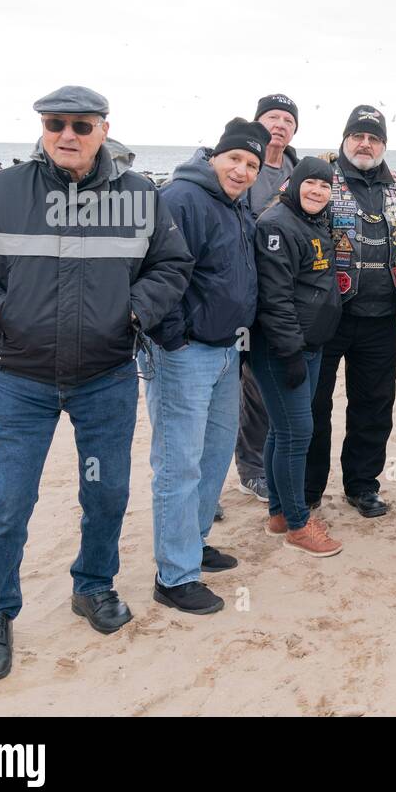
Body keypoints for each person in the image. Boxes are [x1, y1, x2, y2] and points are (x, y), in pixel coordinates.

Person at [0, 85, 192, 681]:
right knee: (8, 501)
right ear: (43, 128)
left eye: (80, 124)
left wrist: (131, 311)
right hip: (20, 379)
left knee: (105, 493)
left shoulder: (141, 196)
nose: (67, 135)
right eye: (56, 124)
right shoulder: (1, 191)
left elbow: (173, 266)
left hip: (105, 378)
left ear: (103, 128)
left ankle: (93, 585)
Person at [141, 117, 269, 615]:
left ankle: (192, 544)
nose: (241, 170)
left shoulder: (237, 206)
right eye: (234, 159)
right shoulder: (181, 199)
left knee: (215, 454)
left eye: (252, 164)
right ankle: (174, 576)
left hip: (226, 351)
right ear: (214, 156)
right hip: (183, 352)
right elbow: (156, 271)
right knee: (179, 463)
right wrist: (172, 336)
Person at [304, 106, 396, 518]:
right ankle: (309, 488)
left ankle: (362, 486)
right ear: (345, 138)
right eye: (358, 136)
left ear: (384, 144)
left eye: (374, 137)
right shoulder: (319, 176)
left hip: (382, 315)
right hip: (326, 315)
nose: (365, 144)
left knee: (373, 405)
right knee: (315, 406)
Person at [250, 156, 344, 557]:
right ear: (294, 183)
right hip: (282, 349)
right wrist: (288, 352)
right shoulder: (276, 225)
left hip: (310, 345)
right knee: (297, 434)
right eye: (310, 183)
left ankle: (278, 513)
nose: (317, 191)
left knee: (282, 431)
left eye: (325, 186)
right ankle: (298, 523)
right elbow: (275, 298)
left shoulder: (313, 222)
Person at [234, 94, 303, 505]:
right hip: (241, 290)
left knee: (265, 386)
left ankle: (260, 466)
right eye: (271, 117)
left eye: (287, 120)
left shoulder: (297, 169)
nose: (279, 125)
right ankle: (248, 468)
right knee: (237, 387)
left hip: (281, 295)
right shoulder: (242, 164)